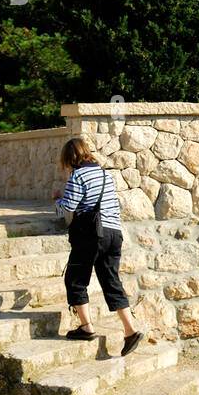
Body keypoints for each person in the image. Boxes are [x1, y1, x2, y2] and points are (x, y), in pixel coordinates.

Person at [53, 137, 144, 356]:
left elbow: (67, 208)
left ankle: (86, 327)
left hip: (92, 235)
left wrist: (57, 199)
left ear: (70, 157)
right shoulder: (105, 174)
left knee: (75, 279)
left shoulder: (77, 175)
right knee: (111, 280)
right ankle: (130, 330)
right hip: (114, 233)